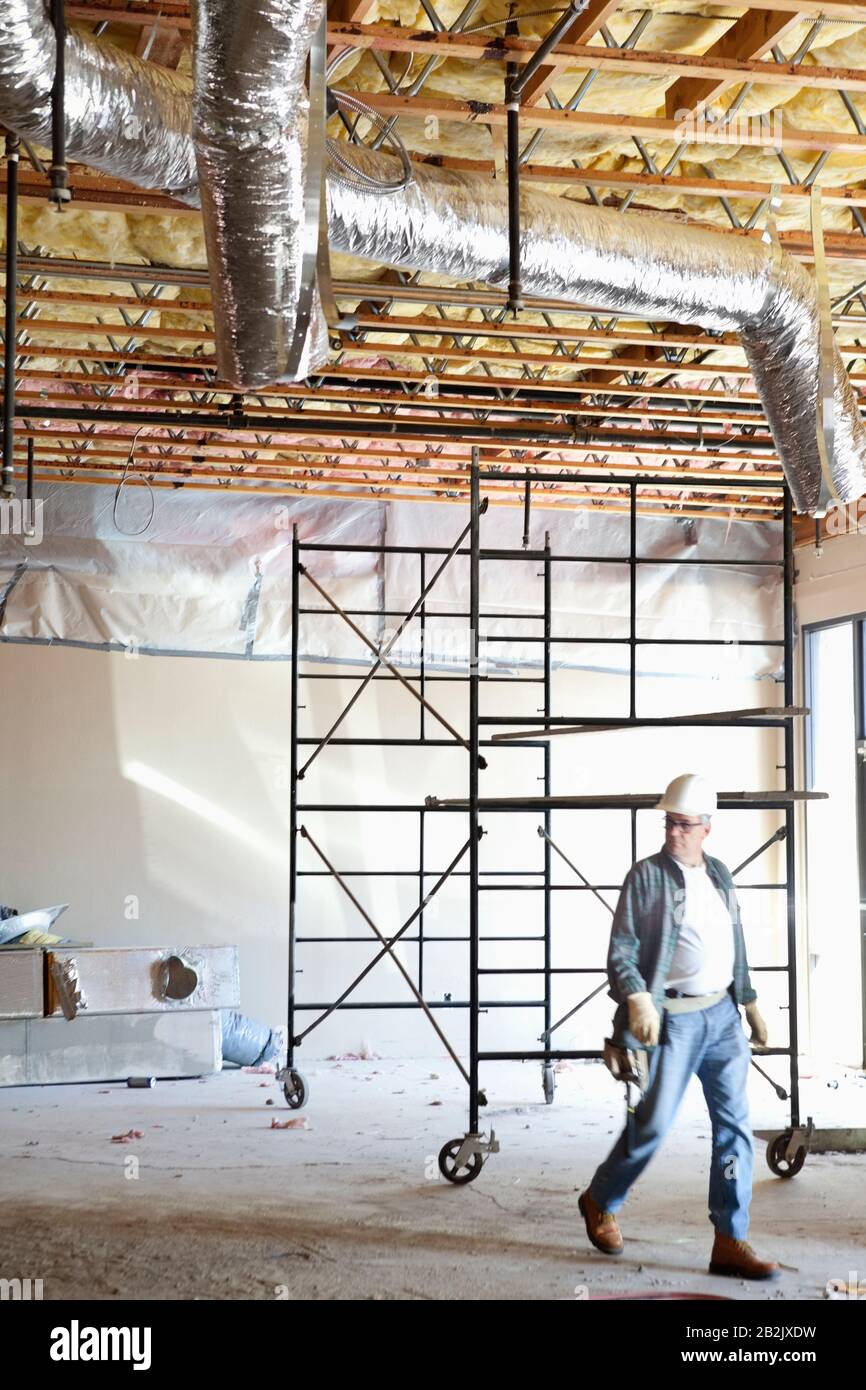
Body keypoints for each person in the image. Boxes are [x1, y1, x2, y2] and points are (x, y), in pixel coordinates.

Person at [578, 773, 779, 1280]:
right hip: (672, 1021)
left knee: (734, 1130)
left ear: (707, 828)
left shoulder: (720, 875)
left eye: (685, 824)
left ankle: (730, 1240)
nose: (674, 833)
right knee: (653, 1125)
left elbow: (735, 943)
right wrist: (638, 998)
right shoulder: (645, 877)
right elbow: (621, 948)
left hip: (722, 1020)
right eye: (669, 822)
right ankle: (601, 1199)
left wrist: (748, 1000)